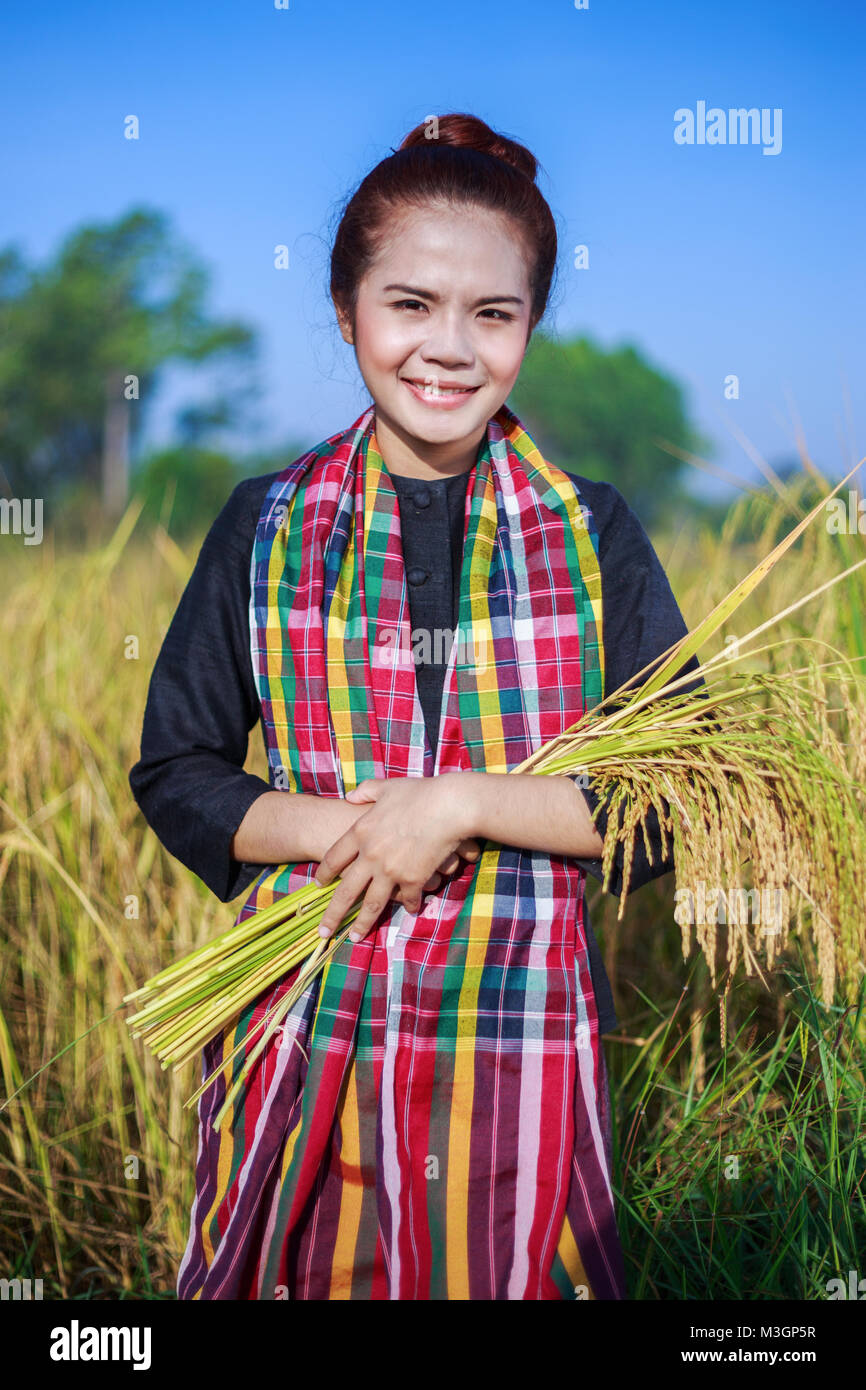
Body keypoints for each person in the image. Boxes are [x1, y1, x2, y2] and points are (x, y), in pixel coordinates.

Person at [129, 112, 697, 1301]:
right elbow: (177, 771)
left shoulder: (592, 538)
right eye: (409, 304)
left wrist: (459, 804)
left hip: (516, 1044)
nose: (447, 349)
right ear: (345, 311)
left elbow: (676, 809)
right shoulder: (263, 524)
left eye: (492, 314)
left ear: (529, 328)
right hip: (296, 1027)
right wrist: (349, 831)